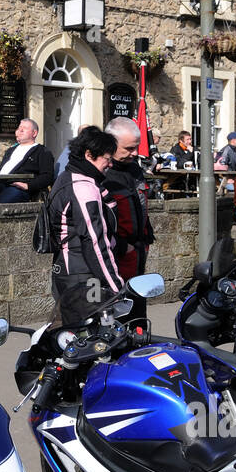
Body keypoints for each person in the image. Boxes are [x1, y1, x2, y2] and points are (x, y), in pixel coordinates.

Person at [46, 126, 123, 326]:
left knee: (70, 332)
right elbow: (95, 241)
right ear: (89, 155)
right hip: (84, 276)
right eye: (107, 159)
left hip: (66, 270)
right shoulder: (84, 187)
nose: (110, 164)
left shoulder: (66, 177)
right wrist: (115, 286)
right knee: (97, 333)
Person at [103, 118, 155, 320]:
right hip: (116, 254)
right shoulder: (102, 172)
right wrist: (122, 246)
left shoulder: (134, 168)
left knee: (137, 311)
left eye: (136, 147)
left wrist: (146, 237)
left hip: (138, 250)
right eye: (129, 148)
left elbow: (140, 205)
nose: (134, 153)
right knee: (115, 313)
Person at [0, 118, 55, 204]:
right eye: (19, 128)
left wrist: (28, 185)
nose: (20, 130)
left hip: (18, 188)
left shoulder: (42, 151)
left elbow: (47, 176)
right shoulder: (10, 150)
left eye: (24, 128)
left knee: (1, 202)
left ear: (34, 133)